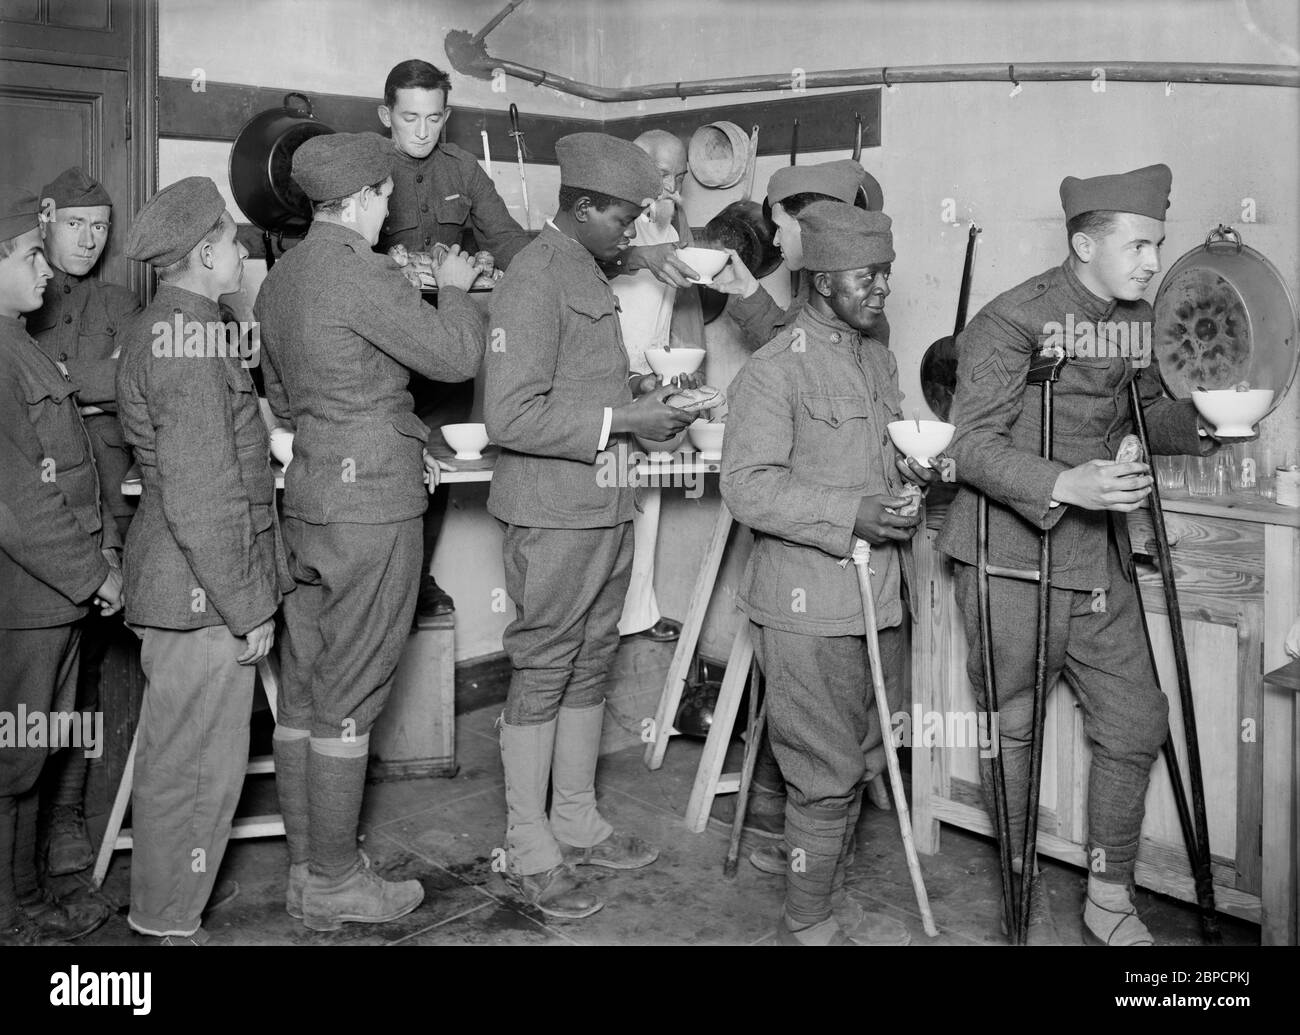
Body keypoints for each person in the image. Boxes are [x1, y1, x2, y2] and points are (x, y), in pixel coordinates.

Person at [937, 164, 1220, 946]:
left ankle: (1106, 891)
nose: (1151, 262)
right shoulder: (1010, 320)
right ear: (1084, 242)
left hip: (1098, 561)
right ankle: (1016, 893)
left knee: (1135, 721)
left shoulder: (1130, 318)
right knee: (1014, 730)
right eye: (1137, 245)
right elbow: (967, 447)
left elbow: (1145, 406)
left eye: (1157, 245)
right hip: (1011, 557)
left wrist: (1204, 421)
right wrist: (1070, 481)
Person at [255, 131, 485, 932]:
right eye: (385, 195)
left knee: (307, 692)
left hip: (309, 498)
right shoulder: (364, 270)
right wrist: (452, 286)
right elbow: (456, 357)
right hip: (373, 509)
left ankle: (306, 868)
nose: (390, 206)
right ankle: (338, 879)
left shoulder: (279, 280)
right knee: (352, 697)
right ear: (355, 202)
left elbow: (282, 407)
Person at [485, 132, 695, 919]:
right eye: (626, 218)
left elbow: (586, 384)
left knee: (588, 660)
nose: (635, 233)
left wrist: (652, 403)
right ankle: (527, 842)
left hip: (607, 500)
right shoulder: (535, 276)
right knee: (543, 664)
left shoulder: (586, 268)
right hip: (552, 511)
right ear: (581, 208)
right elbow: (510, 413)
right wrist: (624, 416)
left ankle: (573, 816)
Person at [721, 201, 923, 946]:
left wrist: (915, 472)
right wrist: (853, 513)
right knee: (824, 769)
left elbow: (882, 456)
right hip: (806, 608)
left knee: (868, 751)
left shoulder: (877, 358)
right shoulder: (776, 370)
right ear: (822, 276)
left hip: (877, 599)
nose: (882, 290)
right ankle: (807, 921)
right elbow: (746, 485)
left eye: (888, 275)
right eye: (868, 276)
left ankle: (825, 894)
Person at [114, 177, 291, 944]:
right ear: (203, 251)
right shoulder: (185, 342)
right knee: (192, 773)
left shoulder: (183, 326)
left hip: (191, 581)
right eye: (230, 235)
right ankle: (163, 922)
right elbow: (203, 498)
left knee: (185, 761)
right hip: (198, 589)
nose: (242, 247)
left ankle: (164, 912)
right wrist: (248, 605)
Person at [0, 185, 118, 944]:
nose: (44, 269)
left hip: (53, 594)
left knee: (31, 753)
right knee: (13, 759)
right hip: (29, 595)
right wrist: (95, 572)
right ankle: (14, 915)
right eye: (26, 255)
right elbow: (17, 504)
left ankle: (31, 898)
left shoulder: (19, 340)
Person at [377, 58, 532, 621]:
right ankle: (386, 583)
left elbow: (509, 241)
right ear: (386, 115)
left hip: (445, 343)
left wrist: (561, 264)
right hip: (380, 346)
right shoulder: (365, 171)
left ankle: (416, 579)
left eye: (435, 119)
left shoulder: (464, 170)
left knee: (434, 465)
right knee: (385, 463)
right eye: (409, 118)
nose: (422, 132)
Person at [27, 166, 140, 881]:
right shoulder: (20, 298)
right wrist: (86, 386)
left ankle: (66, 819)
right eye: (75, 225)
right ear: (45, 221)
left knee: (87, 673)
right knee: (31, 675)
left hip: (107, 510)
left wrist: (64, 382)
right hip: (33, 518)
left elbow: (136, 383)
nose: (90, 241)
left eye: (100, 228)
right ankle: (22, 830)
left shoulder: (121, 301)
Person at [611, 129, 706, 644]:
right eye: (660, 173)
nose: (670, 185)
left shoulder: (672, 222)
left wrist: (684, 369)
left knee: (649, 488)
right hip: (606, 372)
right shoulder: (610, 218)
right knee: (610, 491)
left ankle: (640, 613)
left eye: (677, 175)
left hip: (654, 368)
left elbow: (679, 303)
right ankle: (602, 619)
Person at [713, 159, 887, 350]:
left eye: (779, 227)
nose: (775, 240)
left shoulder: (844, 291)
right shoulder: (828, 276)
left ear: (810, 224)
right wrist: (748, 288)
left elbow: (789, 355)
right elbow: (791, 343)